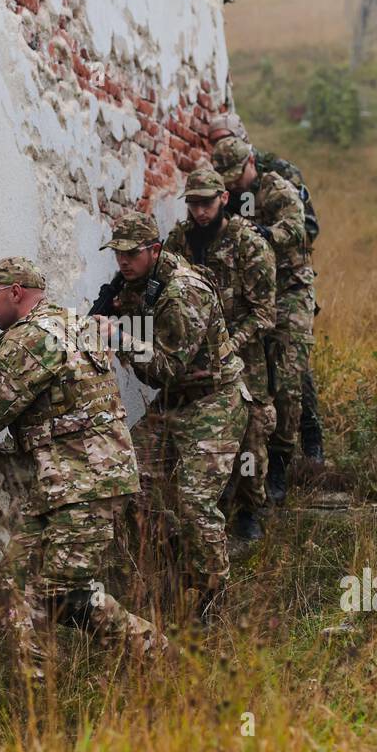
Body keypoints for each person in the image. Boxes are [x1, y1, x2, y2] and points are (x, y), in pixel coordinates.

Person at [0, 257, 164, 669]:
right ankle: (35, 692)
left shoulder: (29, 339)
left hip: (83, 483)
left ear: (15, 292)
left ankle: (156, 654)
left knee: (67, 592)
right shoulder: (75, 323)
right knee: (16, 583)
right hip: (69, 482)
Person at [96, 211, 249, 619]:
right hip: (176, 401)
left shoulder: (183, 291)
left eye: (131, 253)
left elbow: (165, 368)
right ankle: (175, 566)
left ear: (155, 250)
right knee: (127, 478)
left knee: (196, 502)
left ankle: (211, 601)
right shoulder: (139, 282)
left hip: (214, 400)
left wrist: (119, 337)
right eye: (118, 254)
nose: (123, 262)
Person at [163, 168, 277, 546]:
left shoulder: (249, 243)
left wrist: (228, 340)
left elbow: (265, 313)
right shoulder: (179, 241)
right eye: (193, 203)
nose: (199, 211)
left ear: (224, 199)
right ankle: (209, 511)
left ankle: (250, 512)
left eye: (206, 203)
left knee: (252, 437)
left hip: (245, 362)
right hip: (197, 365)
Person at [208, 113, 326, 465]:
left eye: (226, 137)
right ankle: (255, 458)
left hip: (290, 286)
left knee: (292, 371)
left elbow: (302, 228)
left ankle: (301, 443)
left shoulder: (279, 180)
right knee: (259, 376)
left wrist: (262, 238)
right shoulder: (227, 189)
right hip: (254, 294)